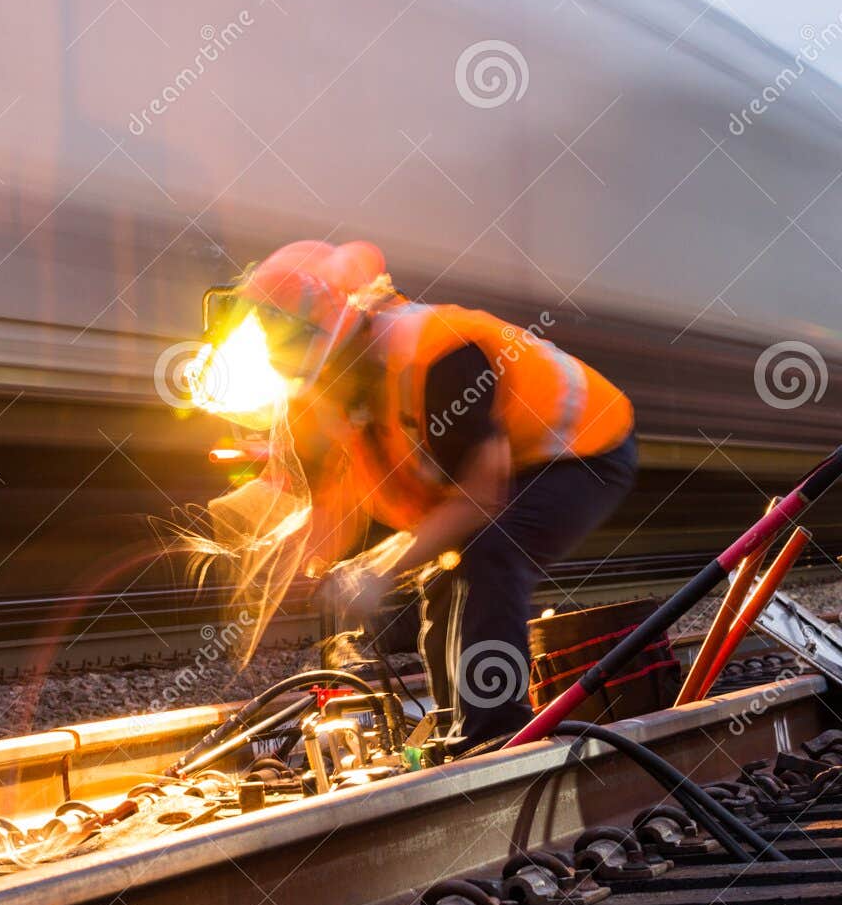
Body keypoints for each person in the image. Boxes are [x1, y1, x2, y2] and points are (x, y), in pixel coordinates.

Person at [195, 239, 637, 746]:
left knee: (490, 552)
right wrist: (277, 560)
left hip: (582, 447)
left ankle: (498, 736)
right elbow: (327, 515)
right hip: (499, 466)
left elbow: (481, 495)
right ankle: (456, 732)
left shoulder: (437, 354)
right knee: (443, 575)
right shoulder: (313, 390)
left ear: (338, 344)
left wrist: (378, 569)